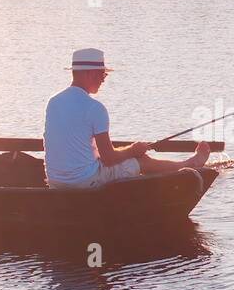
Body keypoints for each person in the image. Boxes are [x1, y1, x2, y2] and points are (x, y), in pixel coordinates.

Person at [43, 48, 209, 189]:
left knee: (125, 156)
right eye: (102, 75)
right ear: (89, 74)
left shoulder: (53, 102)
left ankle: (185, 164)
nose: (103, 80)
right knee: (141, 161)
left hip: (56, 182)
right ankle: (188, 165)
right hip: (85, 182)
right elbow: (108, 159)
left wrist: (128, 151)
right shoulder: (95, 108)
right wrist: (134, 150)